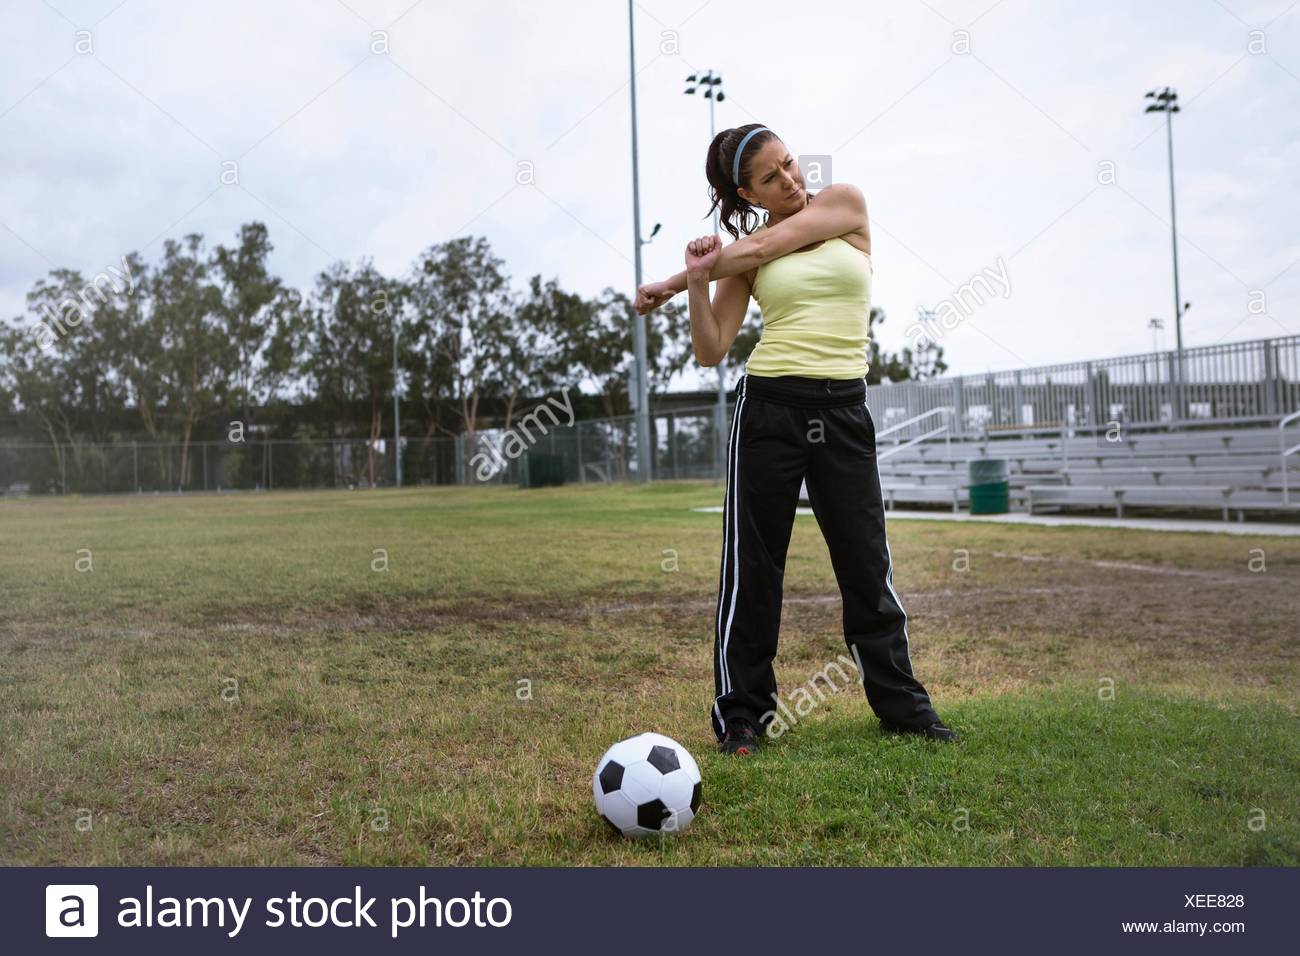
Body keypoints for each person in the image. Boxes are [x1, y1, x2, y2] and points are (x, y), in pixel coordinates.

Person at [635, 124, 958, 755]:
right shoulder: (743, 254)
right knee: (755, 569)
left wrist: (674, 280)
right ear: (745, 192)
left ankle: (901, 706)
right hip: (770, 411)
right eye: (770, 179)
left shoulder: (844, 205)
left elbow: (762, 251)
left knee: (867, 565)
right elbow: (711, 349)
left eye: (789, 165)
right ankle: (743, 715)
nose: (790, 182)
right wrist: (699, 284)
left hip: (843, 410)